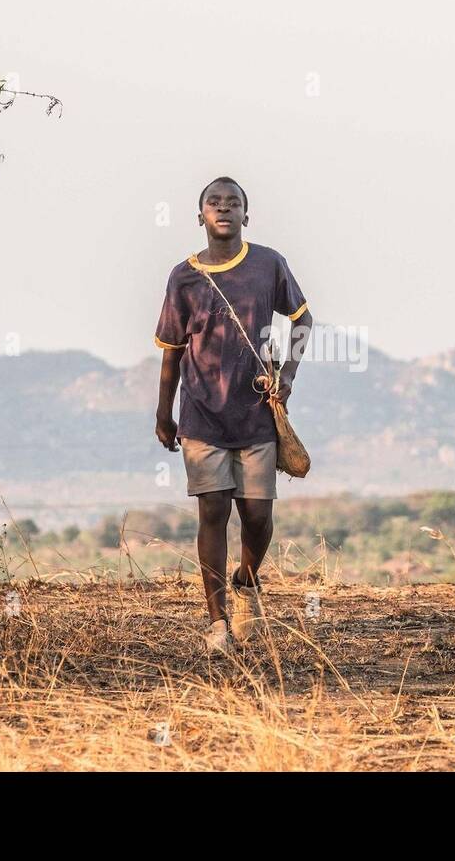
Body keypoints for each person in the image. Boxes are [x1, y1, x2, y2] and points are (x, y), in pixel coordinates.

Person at [153, 177, 314, 652]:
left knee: (258, 516)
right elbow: (172, 351)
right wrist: (164, 414)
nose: (223, 209)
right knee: (212, 511)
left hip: (256, 413)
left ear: (247, 214)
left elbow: (302, 319)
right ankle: (218, 621)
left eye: (233, 203)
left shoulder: (269, 265)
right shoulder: (182, 277)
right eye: (214, 203)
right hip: (201, 414)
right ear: (199, 215)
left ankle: (246, 581)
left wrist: (288, 375)